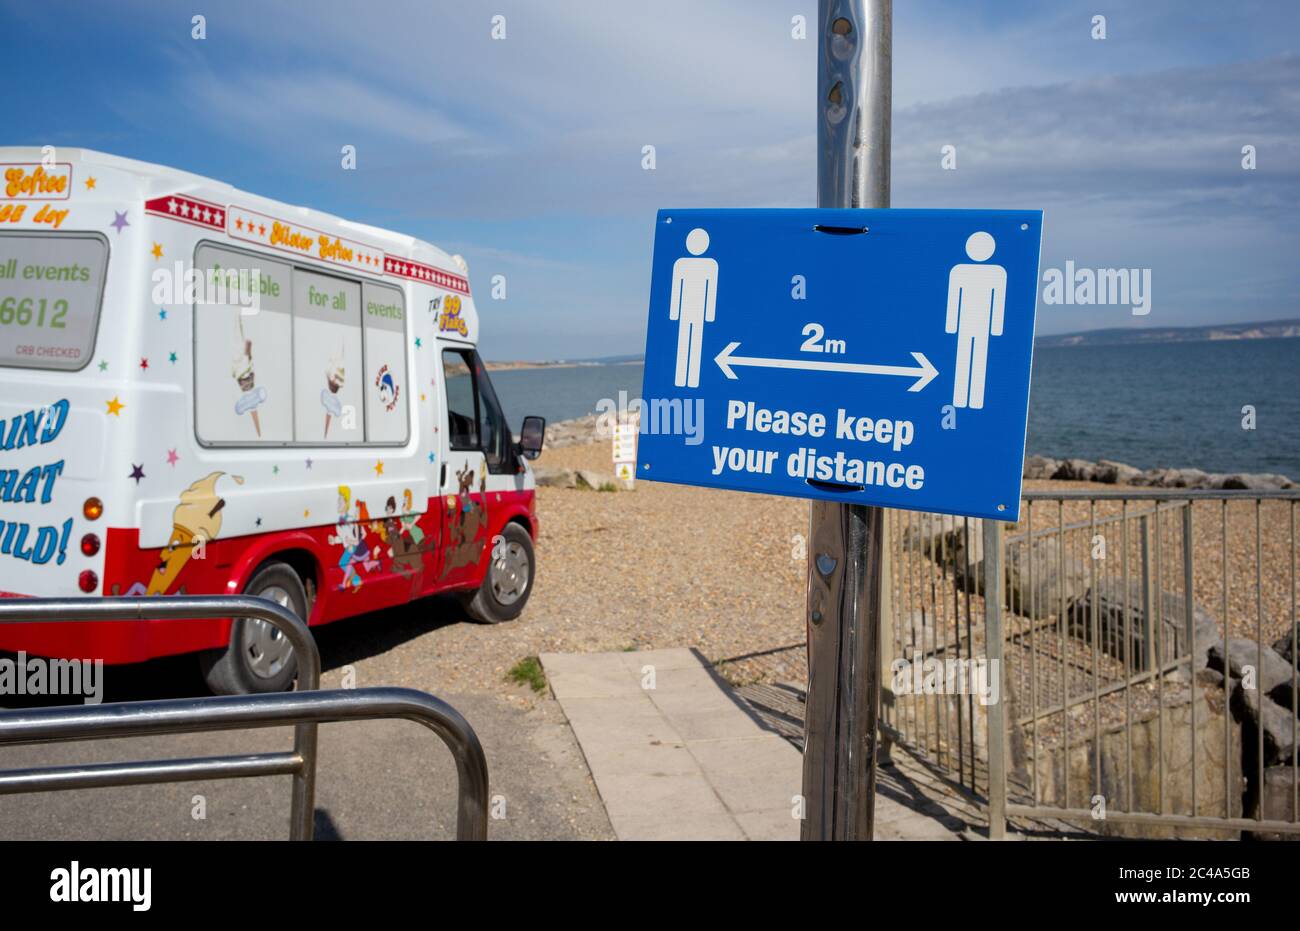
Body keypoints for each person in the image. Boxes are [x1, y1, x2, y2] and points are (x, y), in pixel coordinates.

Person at [945, 231, 1007, 410]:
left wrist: (996, 327)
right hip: (967, 323)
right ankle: (960, 398)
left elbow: (999, 301)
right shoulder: (959, 270)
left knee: (977, 359)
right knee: (965, 359)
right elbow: (954, 298)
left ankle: (974, 401)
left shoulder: (998, 272)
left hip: (981, 324)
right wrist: (951, 325)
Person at [670, 227, 718, 388]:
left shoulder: (711, 265)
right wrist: (674, 313)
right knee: (684, 345)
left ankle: (692, 381)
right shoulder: (680, 264)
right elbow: (676, 289)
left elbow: (711, 291)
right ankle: (680, 380)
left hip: (698, 312)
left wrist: (710, 314)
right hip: (686, 311)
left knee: (695, 344)